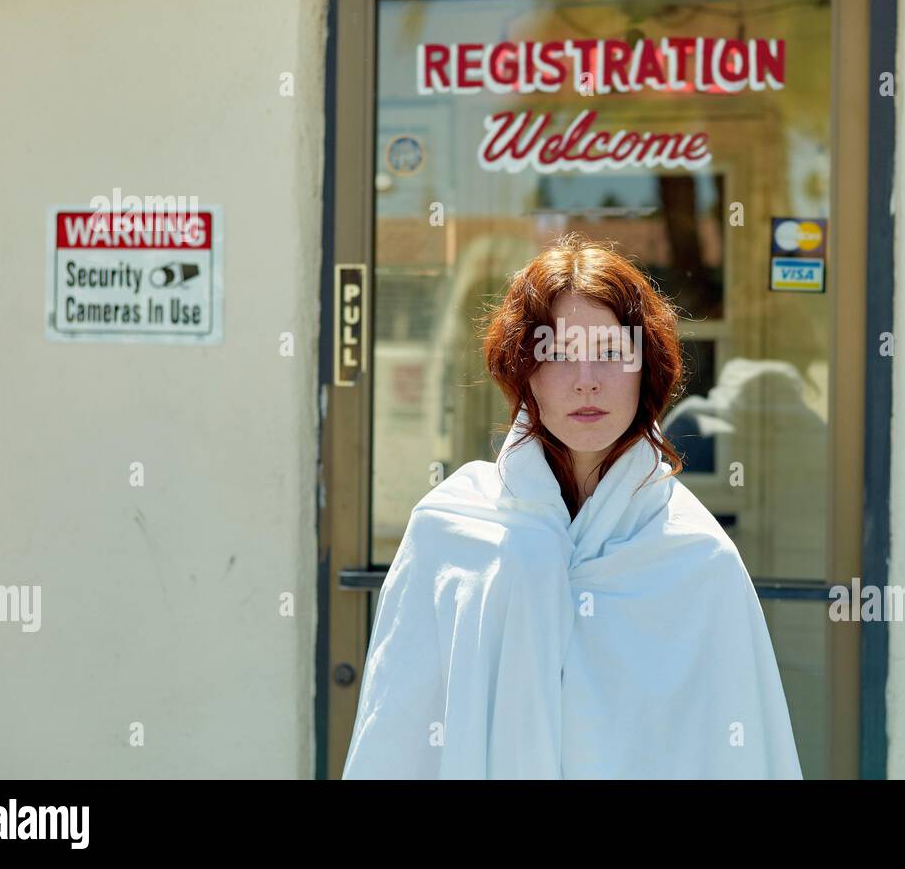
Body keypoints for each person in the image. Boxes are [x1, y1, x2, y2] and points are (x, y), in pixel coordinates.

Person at [342, 232, 803, 779]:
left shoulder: (698, 562)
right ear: (523, 370)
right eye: (559, 353)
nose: (588, 382)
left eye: (611, 354)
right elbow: (396, 739)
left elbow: (738, 756)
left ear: (646, 368)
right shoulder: (451, 536)